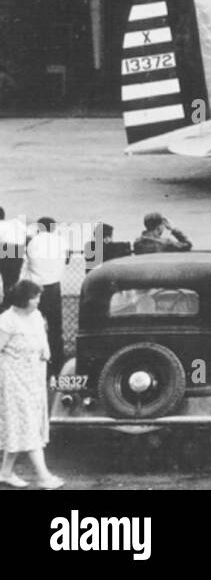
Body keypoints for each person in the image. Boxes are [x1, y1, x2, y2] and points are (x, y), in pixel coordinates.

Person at [0, 279, 63, 489]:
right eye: (35, 297)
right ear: (23, 299)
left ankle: (5, 473)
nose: (38, 301)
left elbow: (42, 338)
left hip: (34, 378)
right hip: (14, 380)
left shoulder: (35, 315)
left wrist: (45, 351)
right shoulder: (7, 321)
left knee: (24, 425)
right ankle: (44, 476)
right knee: (27, 425)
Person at [21, 218, 70, 372]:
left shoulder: (32, 242)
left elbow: (26, 259)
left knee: (33, 324)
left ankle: (34, 357)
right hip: (54, 285)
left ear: (38, 227)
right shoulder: (61, 241)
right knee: (55, 327)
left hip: (35, 287)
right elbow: (67, 260)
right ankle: (57, 361)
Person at [0, 209, 25, 305]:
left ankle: (8, 303)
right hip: (17, 251)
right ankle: (10, 303)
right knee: (11, 281)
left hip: (5, 249)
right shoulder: (15, 224)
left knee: (8, 281)